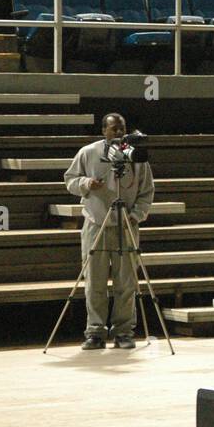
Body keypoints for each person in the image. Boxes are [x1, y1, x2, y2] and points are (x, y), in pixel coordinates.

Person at [63, 113, 156, 351]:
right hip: (97, 223)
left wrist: (135, 216)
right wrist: (86, 183)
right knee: (95, 281)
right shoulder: (88, 152)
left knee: (126, 282)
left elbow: (147, 192)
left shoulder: (136, 156)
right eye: (113, 129)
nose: (118, 133)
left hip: (126, 224)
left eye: (121, 129)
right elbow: (70, 180)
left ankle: (124, 331)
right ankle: (94, 332)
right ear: (104, 130)